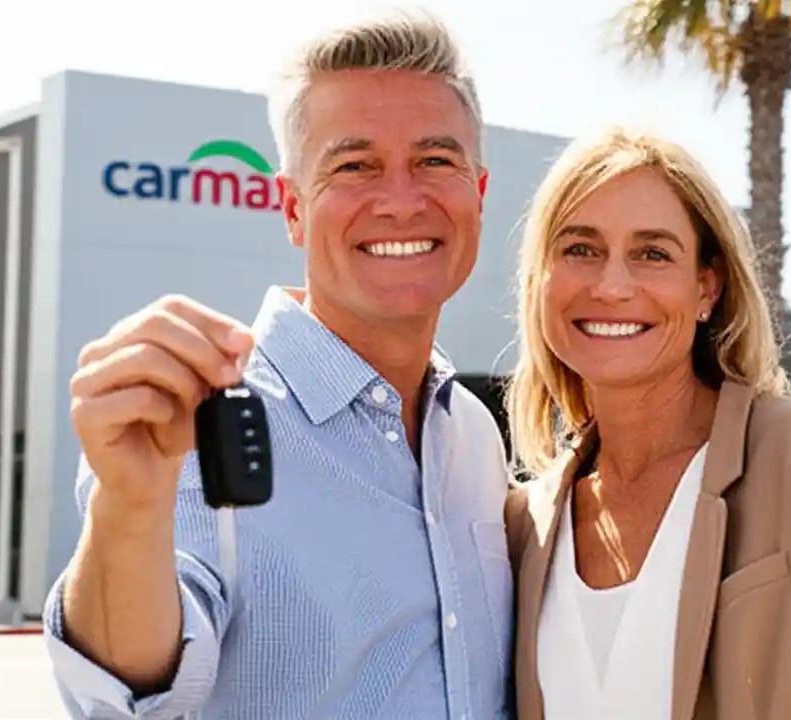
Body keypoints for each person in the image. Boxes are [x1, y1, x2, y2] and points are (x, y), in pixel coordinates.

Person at [42, 9, 514, 719]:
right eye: (354, 166)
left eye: (435, 161)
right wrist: (128, 509)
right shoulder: (197, 421)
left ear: (477, 195)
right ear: (292, 206)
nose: (399, 200)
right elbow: (127, 691)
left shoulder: (475, 433)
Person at [502, 128, 791, 720]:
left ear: (706, 286)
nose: (613, 286)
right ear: (540, 280)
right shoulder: (523, 524)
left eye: (652, 253)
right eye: (580, 249)